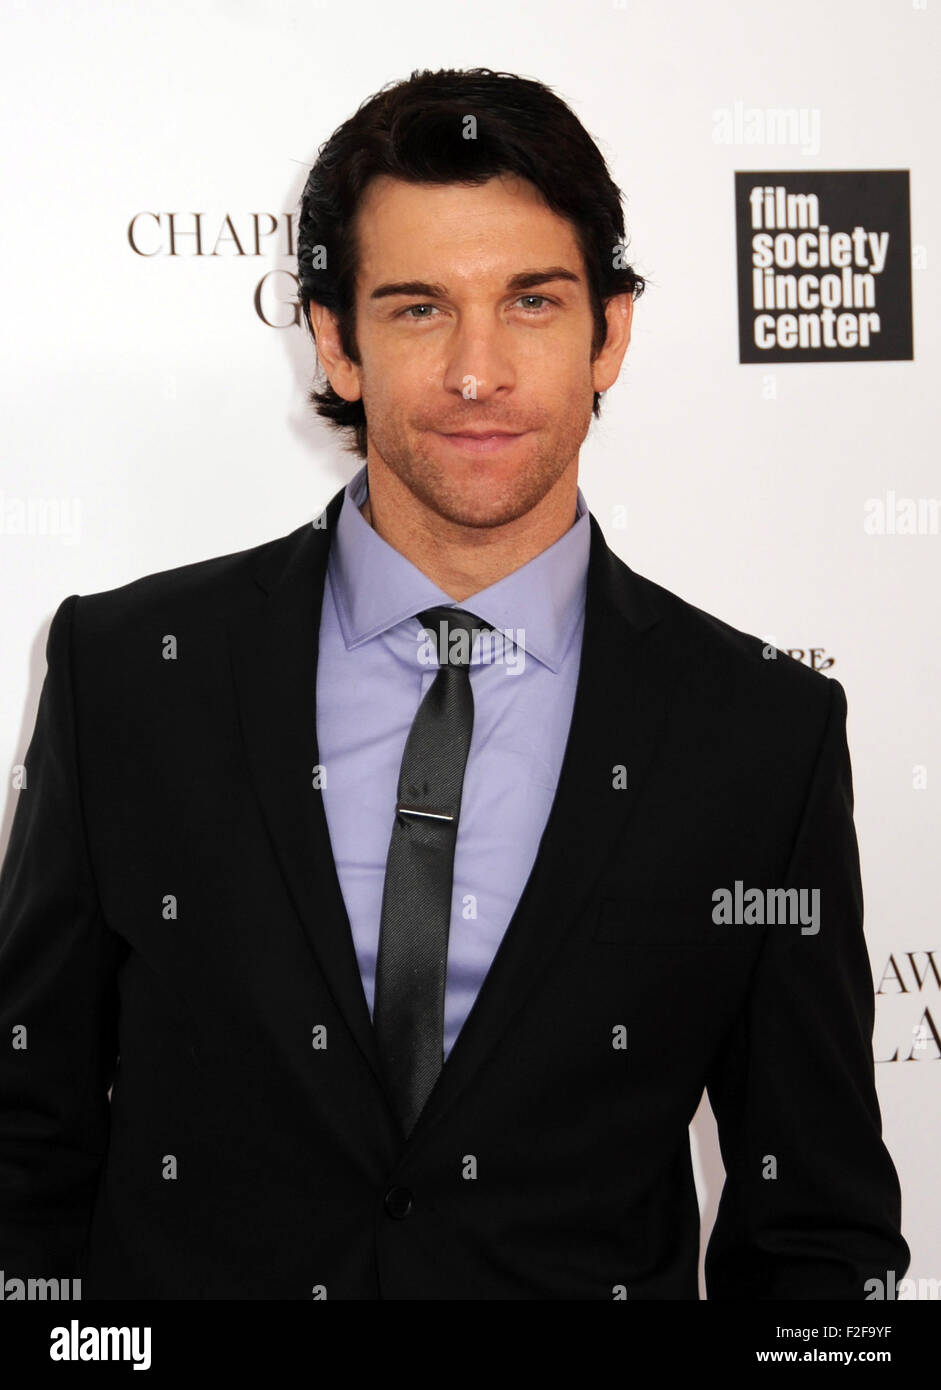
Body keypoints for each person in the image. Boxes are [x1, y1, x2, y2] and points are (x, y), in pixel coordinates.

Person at [0, 67, 909, 1299]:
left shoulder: (757, 731)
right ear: (336, 339)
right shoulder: (133, 674)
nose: (477, 372)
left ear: (612, 332)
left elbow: (813, 1232)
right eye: (419, 308)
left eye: (530, 302)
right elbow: (27, 1141)